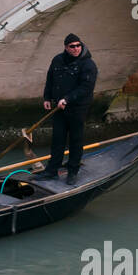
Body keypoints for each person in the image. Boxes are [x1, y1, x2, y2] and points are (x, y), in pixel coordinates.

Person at [43, 33, 99, 185]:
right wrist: (47, 97)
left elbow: (86, 88)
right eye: (72, 46)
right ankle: (52, 171)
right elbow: (50, 79)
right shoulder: (57, 60)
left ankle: (73, 171)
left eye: (78, 45)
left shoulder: (88, 64)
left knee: (75, 139)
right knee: (57, 139)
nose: (76, 48)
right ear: (66, 47)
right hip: (59, 108)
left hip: (78, 108)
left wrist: (67, 99)